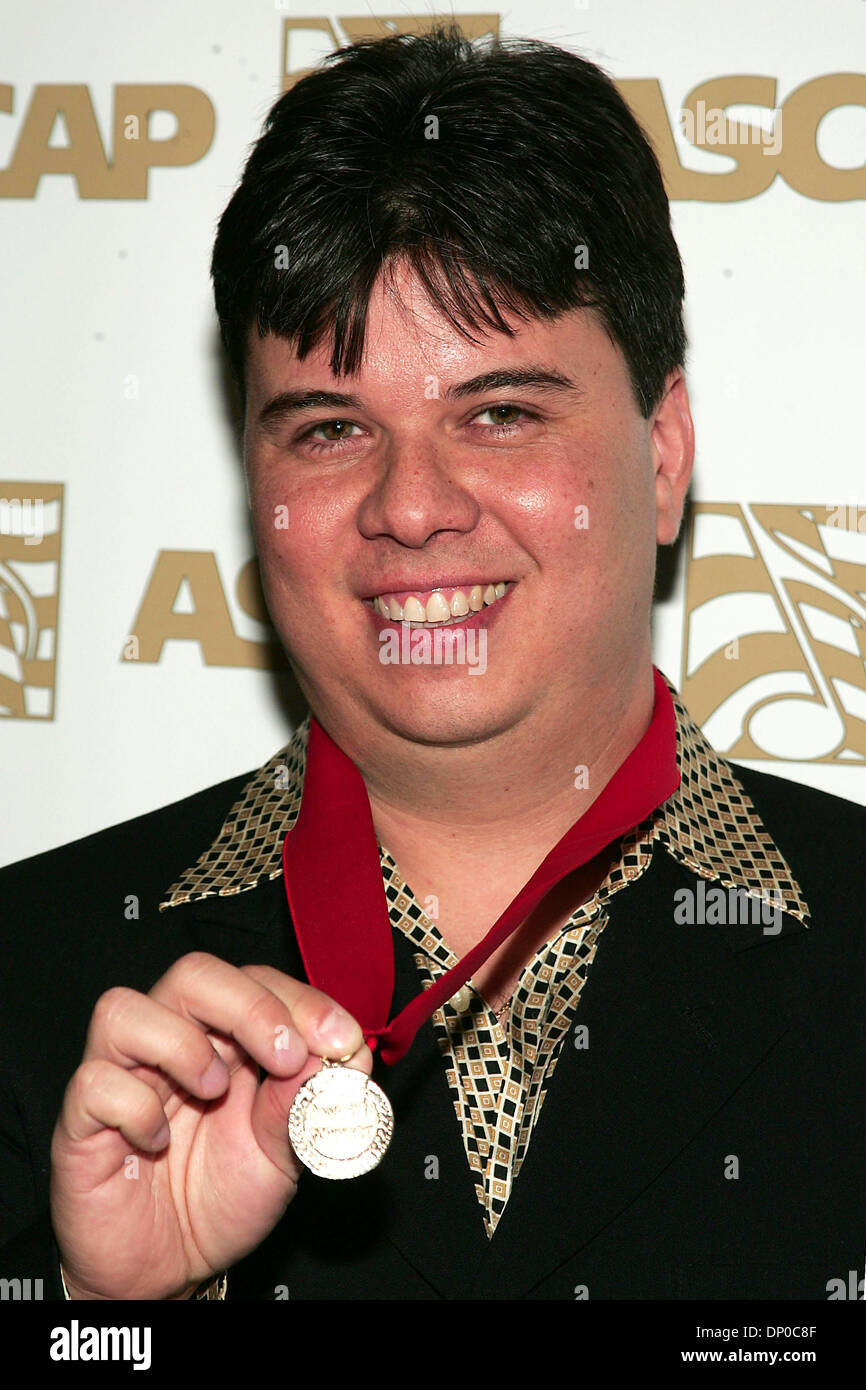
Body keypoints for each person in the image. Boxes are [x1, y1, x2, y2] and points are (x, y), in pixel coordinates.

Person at [1, 23, 864, 1303]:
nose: (411, 507)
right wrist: (114, 1325)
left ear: (664, 450)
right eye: (331, 427)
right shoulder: (30, 977)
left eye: (500, 412)